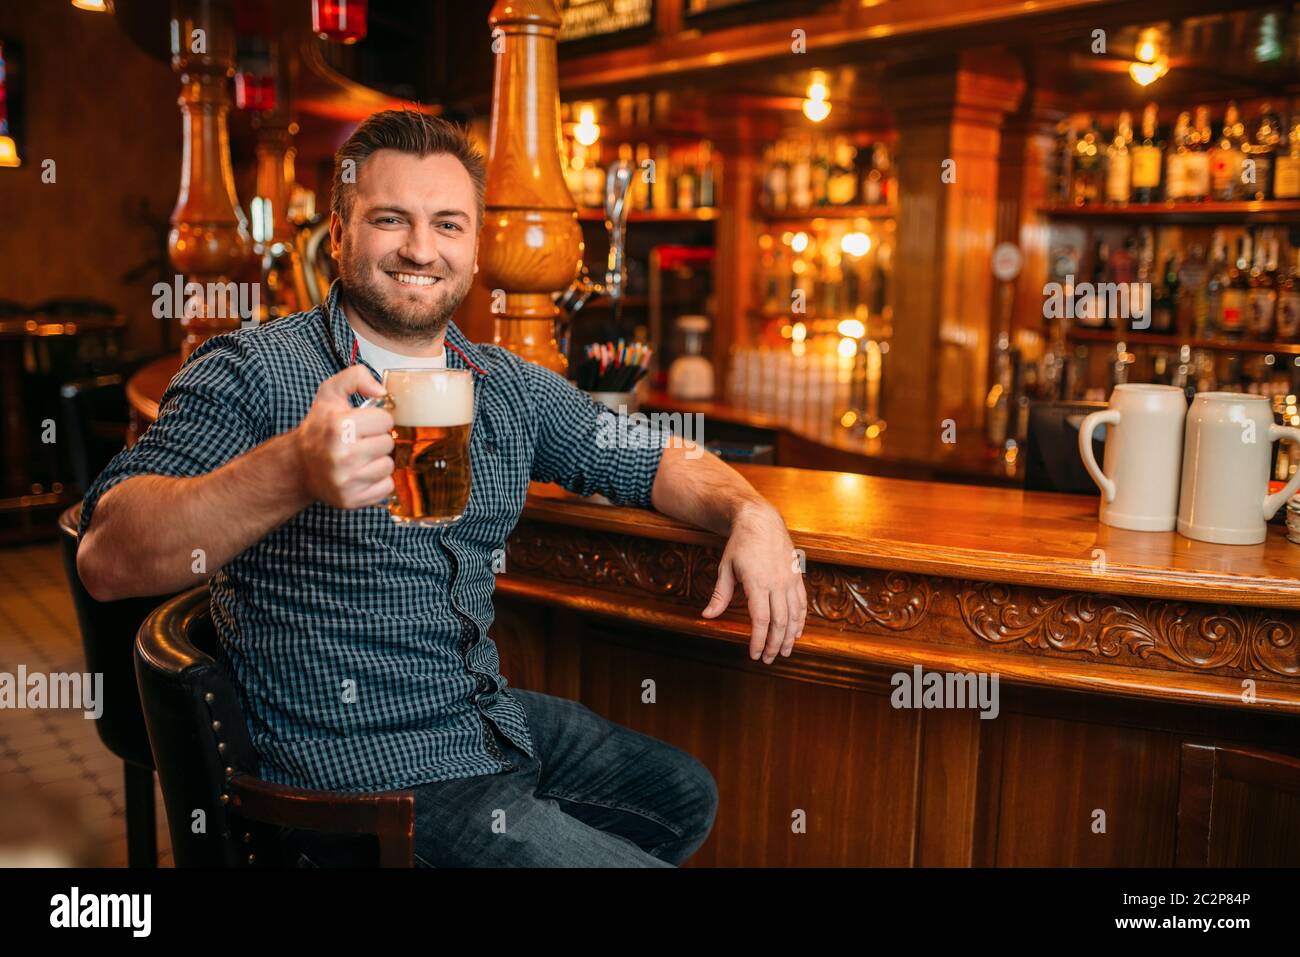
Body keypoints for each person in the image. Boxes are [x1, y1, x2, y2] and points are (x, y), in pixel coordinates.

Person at [76, 110, 807, 867]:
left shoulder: (506, 385)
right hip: (361, 782)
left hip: (474, 716)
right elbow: (108, 556)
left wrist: (748, 510)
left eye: (448, 224)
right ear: (338, 232)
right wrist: (291, 469)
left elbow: (649, 455)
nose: (422, 249)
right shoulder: (256, 370)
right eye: (391, 219)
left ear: (475, 245)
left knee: (684, 792)